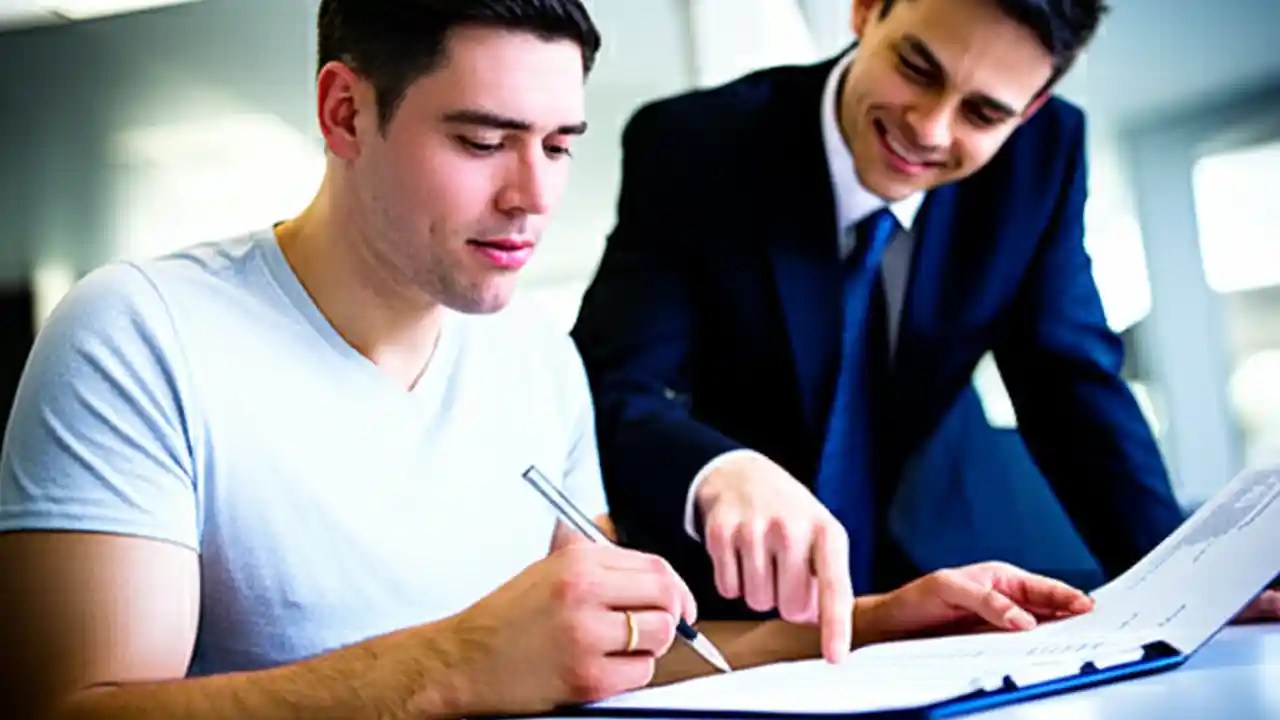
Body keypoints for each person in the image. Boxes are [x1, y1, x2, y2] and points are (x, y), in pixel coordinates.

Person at [0, 2, 1106, 718]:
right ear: (345, 111)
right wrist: (455, 664)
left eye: (559, 145)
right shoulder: (138, 337)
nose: (532, 200)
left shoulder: (533, 358)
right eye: (480, 142)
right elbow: (73, 710)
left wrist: (871, 621)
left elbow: (605, 656)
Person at [571, 0, 1280, 660]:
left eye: (983, 112)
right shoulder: (698, 144)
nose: (930, 129)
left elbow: (1071, 386)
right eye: (917, 67)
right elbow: (614, 385)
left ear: (1029, 110)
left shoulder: (1045, 158)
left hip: (950, 562)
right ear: (866, 9)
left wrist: (1185, 579)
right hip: (741, 595)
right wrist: (717, 468)